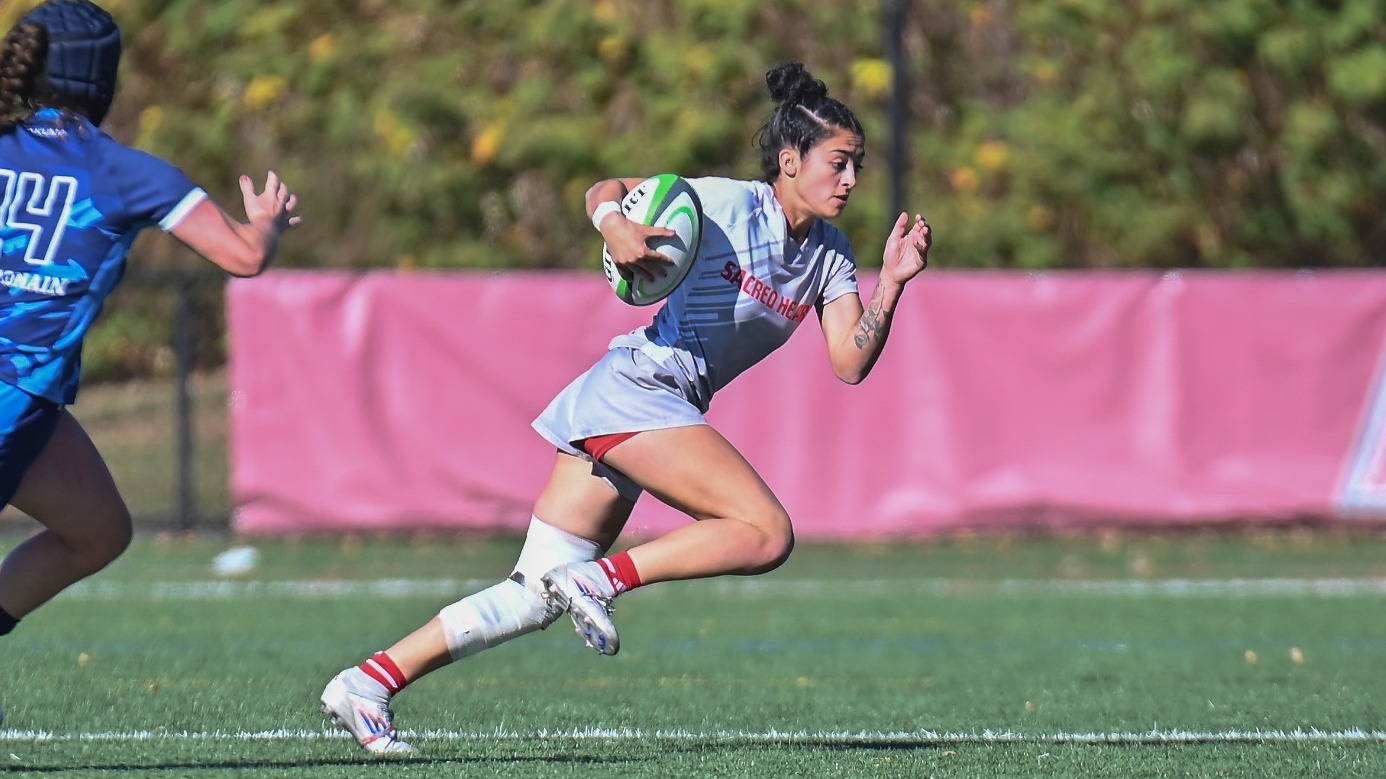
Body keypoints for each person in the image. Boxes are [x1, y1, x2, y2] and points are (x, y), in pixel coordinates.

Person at [320, 61, 930, 754]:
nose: (851, 180)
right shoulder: (726, 203)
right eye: (839, 163)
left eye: (858, 166)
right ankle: (600, 579)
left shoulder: (830, 255)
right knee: (764, 531)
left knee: (533, 593)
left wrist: (894, 284)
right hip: (638, 388)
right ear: (789, 162)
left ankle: (367, 682)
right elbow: (603, 188)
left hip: (648, 405)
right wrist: (614, 226)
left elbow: (849, 362)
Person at [0, 0, 300, 645]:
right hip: (12, 395)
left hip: (27, 403)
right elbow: (243, 257)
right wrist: (267, 224)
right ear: (102, 78)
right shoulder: (124, 172)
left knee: (97, 529)